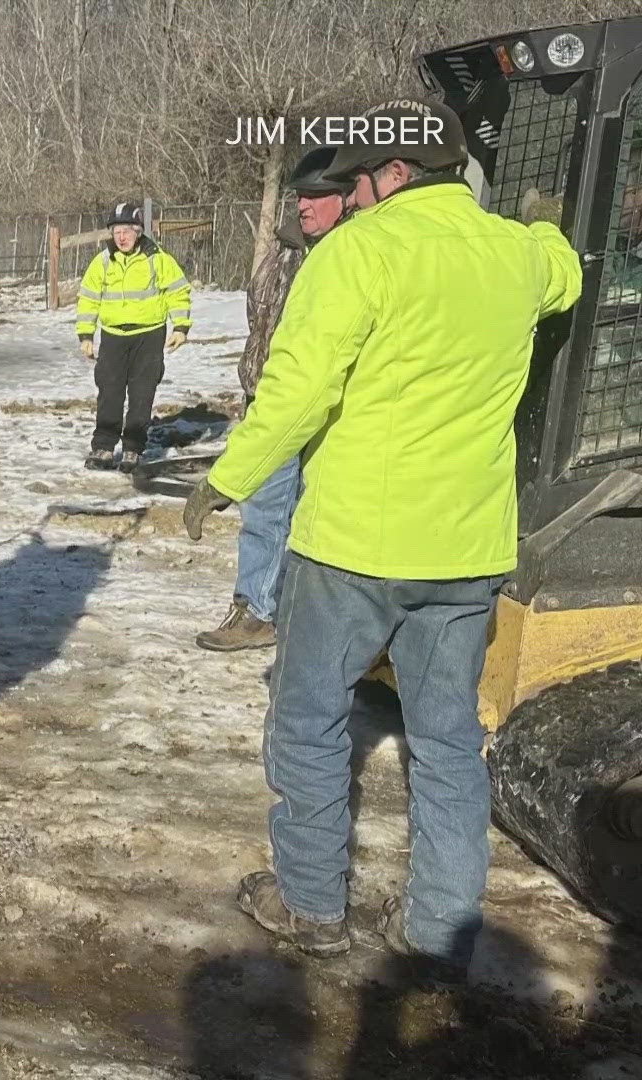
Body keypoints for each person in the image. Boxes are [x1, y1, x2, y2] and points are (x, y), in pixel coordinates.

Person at [182, 99, 582, 978]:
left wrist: (227, 478)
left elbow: (296, 389)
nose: (349, 197)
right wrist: (545, 230)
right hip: (469, 551)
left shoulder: (356, 254)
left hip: (353, 545)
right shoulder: (516, 255)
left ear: (395, 175)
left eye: (357, 179)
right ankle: (440, 929)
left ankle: (313, 906)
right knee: (444, 740)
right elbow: (566, 271)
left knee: (310, 723)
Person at [196, 149, 350, 652]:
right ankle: (258, 608)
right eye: (299, 195)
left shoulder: (353, 255)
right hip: (269, 398)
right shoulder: (286, 249)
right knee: (264, 507)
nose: (303, 206)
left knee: (311, 516)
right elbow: (258, 317)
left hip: (323, 406)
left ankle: (303, 618)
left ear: (346, 199)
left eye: (316, 196)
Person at [75, 202, 192, 471]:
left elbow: (178, 291)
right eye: (116, 231)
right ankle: (103, 448)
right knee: (109, 392)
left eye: (126, 230)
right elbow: (88, 299)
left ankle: (133, 449)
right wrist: (86, 335)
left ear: (138, 231)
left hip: (148, 336)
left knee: (142, 394)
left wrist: (181, 327)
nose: (121, 237)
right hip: (114, 336)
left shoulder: (157, 258)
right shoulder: (102, 262)